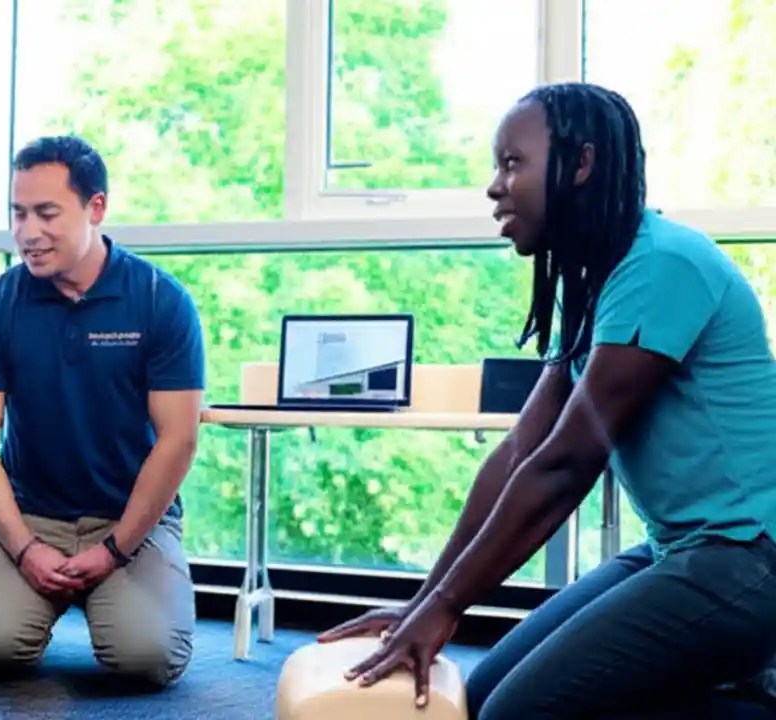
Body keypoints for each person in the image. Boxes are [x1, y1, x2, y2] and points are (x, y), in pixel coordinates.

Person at [317, 81, 776, 719]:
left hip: (749, 558)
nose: (494, 187)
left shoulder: (665, 263)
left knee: (517, 715)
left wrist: (447, 606)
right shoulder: (597, 285)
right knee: (480, 697)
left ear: (580, 164)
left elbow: (566, 464)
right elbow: (519, 453)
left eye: (512, 163)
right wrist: (425, 601)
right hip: (681, 547)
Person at [0, 135, 204, 688]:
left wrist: (115, 550)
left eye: (46, 213)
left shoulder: (161, 300)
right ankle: (33, 591)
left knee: (147, 657)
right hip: (31, 516)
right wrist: (23, 547)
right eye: (18, 213)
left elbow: (178, 440)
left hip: (129, 517)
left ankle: (115, 593)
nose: (27, 232)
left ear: (96, 207)